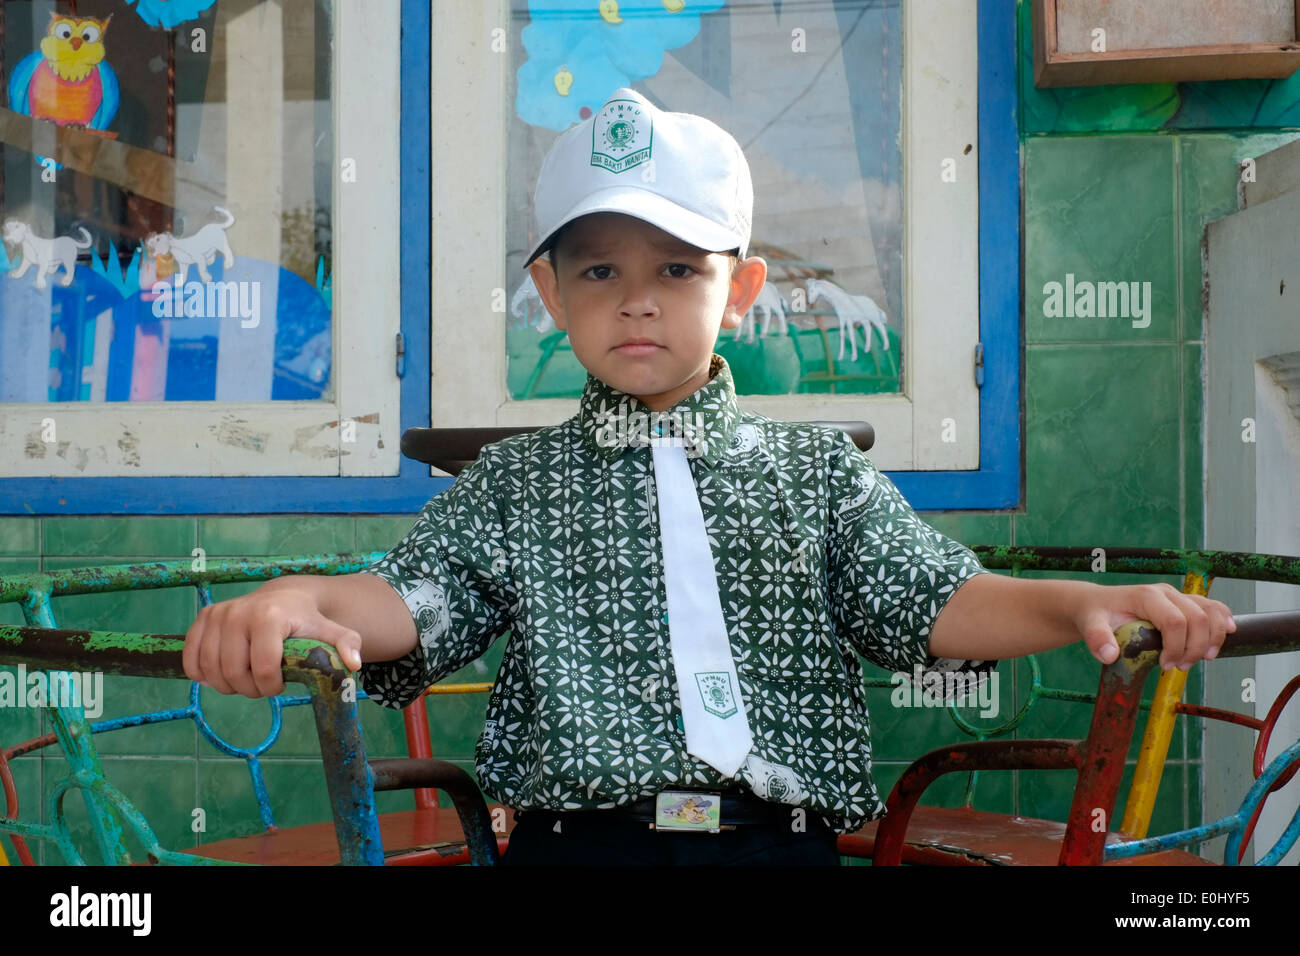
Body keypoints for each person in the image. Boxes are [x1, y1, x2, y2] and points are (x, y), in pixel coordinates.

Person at [182, 88, 1235, 866]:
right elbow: (412, 597)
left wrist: (1088, 601)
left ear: (742, 291)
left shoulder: (813, 474)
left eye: (678, 267)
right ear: (549, 292)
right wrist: (299, 599)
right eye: (599, 268)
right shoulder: (513, 486)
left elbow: (936, 598)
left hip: (775, 844)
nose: (637, 299)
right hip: (577, 846)